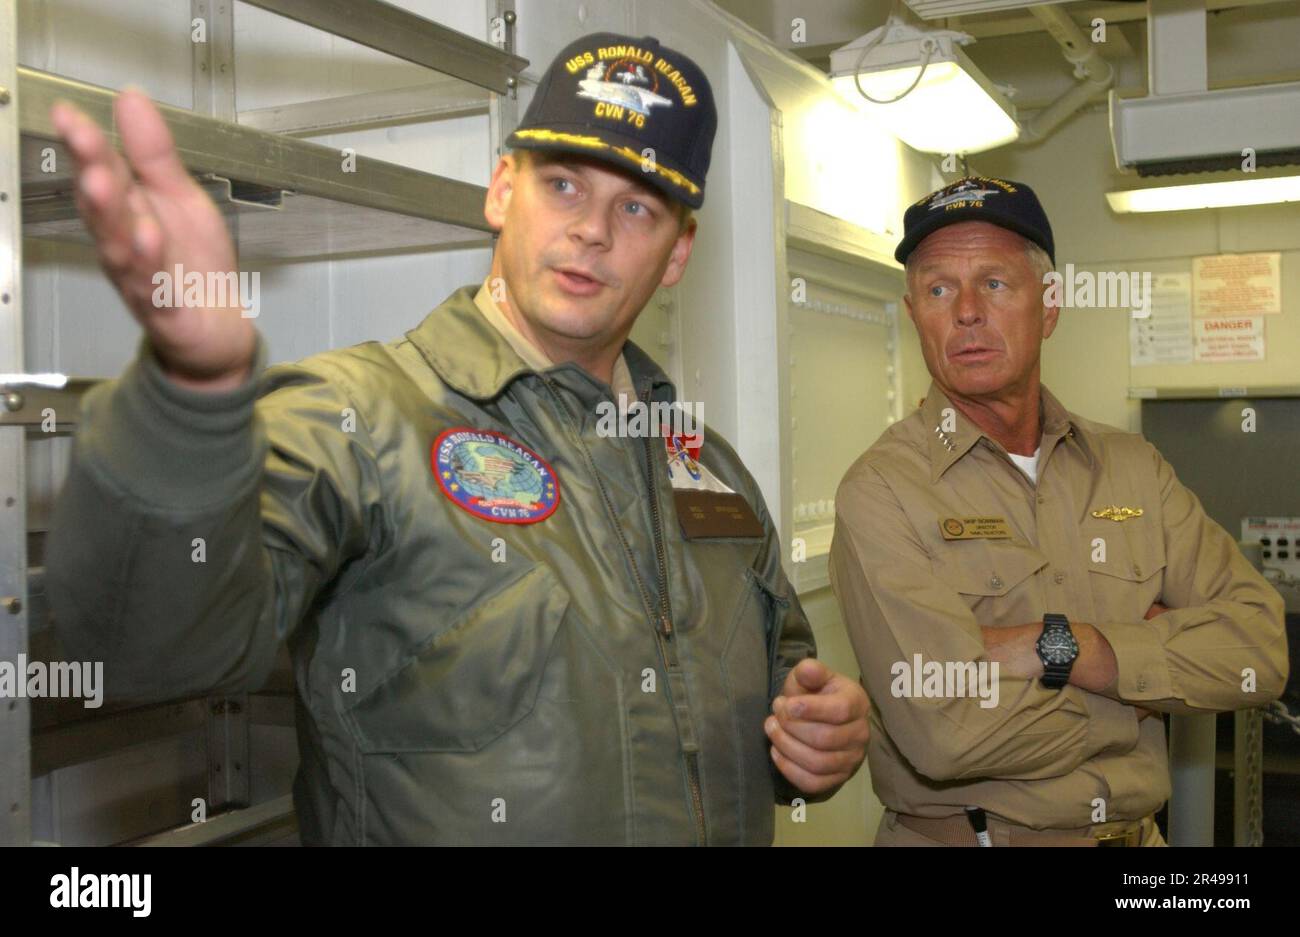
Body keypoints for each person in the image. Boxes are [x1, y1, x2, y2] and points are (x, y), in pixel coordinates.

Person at [45, 32, 869, 845]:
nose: (592, 230)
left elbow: (781, 672)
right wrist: (187, 402)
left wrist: (819, 733)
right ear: (502, 190)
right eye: (563, 186)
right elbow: (154, 648)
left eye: (637, 208)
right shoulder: (356, 419)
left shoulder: (704, 464)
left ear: (678, 251)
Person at [829, 176, 1288, 846]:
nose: (964, 311)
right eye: (937, 288)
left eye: (993, 283)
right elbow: (944, 728)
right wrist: (1137, 689)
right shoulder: (881, 490)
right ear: (913, 312)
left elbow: (1259, 644)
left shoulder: (1133, 467)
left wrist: (1079, 647)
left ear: (1049, 305)